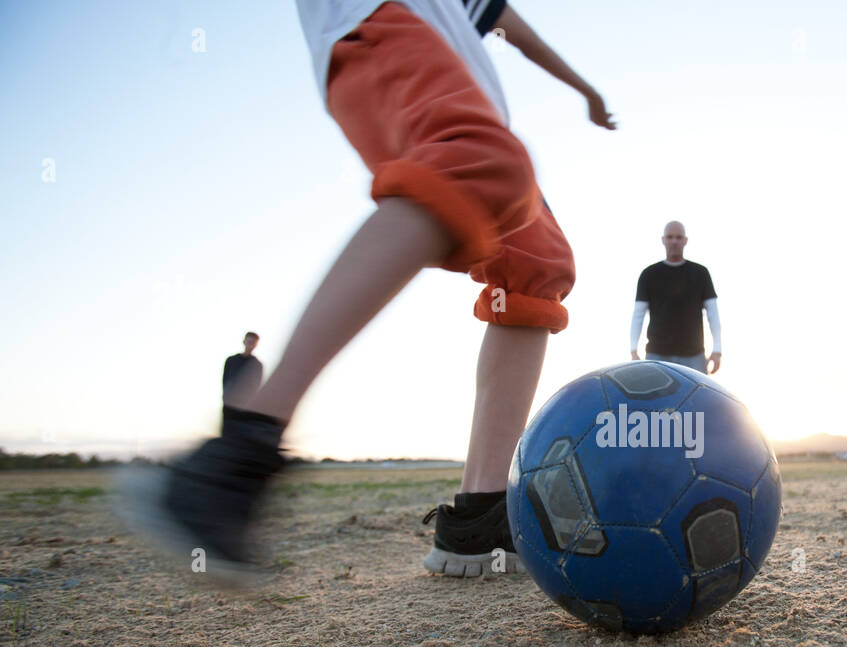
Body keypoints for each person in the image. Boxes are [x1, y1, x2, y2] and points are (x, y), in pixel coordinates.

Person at [118, 0, 615, 583]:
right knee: (485, 164)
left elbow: (501, 18)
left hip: (466, 89)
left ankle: (480, 516)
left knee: (538, 263)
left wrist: (585, 90)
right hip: (377, 19)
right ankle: (232, 461)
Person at [629, 221, 721, 374]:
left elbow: (713, 313)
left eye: (679, 237)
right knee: (655, 398)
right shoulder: (649, 275)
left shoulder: (700, 273)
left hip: (694, 356)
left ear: (685, 240)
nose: (674, 241)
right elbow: (638, 314)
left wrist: (717, 350)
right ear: (663, 240)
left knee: (698, 399)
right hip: (656, 355)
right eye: (670, 237)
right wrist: (633, 350)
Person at [221, 332, 263, 427]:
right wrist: (226, 397)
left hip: (246, 407)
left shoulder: (257, 365)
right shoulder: (231, 360)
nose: (250, 345)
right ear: (244, 342)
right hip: (229, 405)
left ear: (256, 345)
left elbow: (257, 386)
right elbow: (225, 380)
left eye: (253, 343)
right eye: (249, 342)